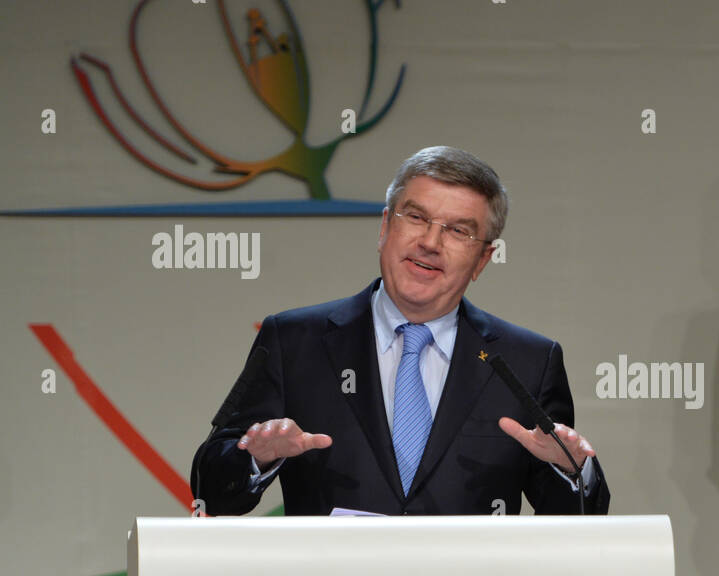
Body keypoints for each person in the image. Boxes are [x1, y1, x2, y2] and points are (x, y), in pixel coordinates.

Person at [191, 146, 610, 517]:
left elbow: (572, 520)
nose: (430, 242)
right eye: (417, 217)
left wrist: (572, 471)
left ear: (483, 259)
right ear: (384, 227)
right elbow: (210, 492)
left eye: (458, 230)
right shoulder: (293, 341)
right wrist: (254, 458)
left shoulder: (528, 362)